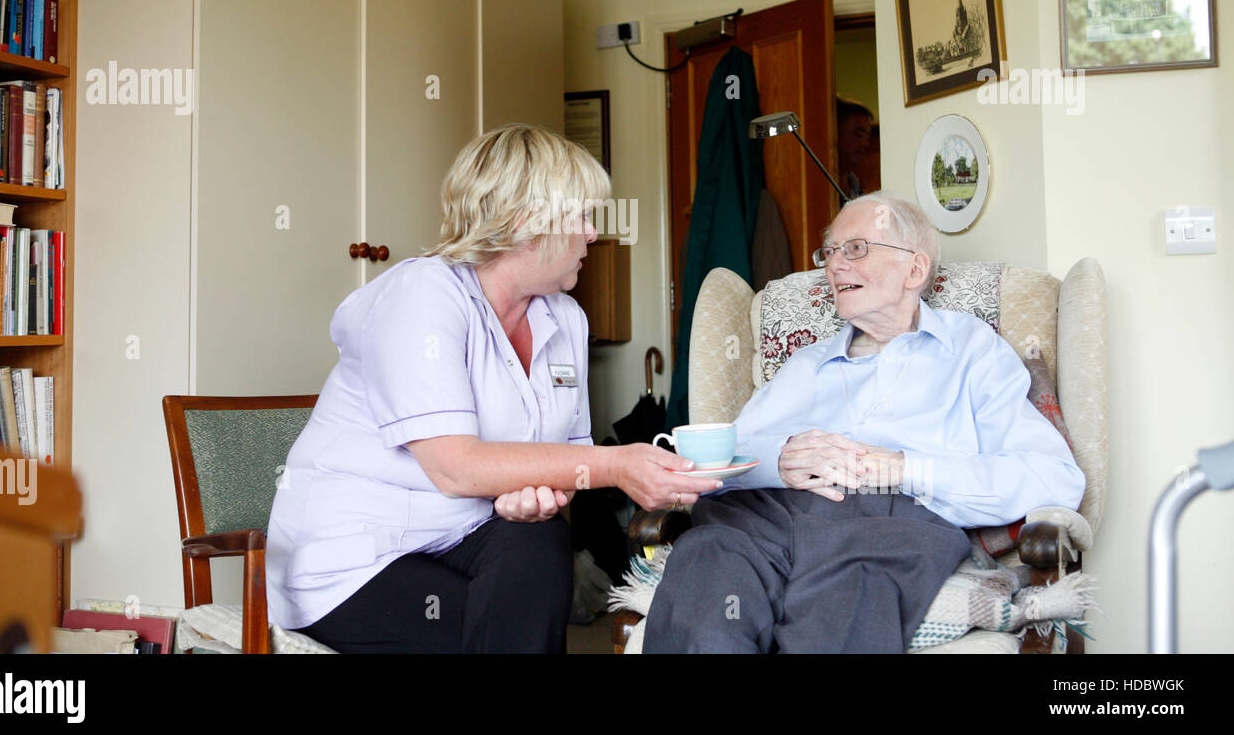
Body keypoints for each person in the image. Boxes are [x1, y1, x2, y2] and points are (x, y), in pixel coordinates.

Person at [266, 124, 720, 653]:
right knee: (508, 631)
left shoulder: (565, 318)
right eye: (580, 216)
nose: (593, 234)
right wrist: (619, 466)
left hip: (469, 540)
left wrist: (540, 499)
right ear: (526, 221)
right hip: (356, 561)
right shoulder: (423, 295)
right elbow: (454, 466)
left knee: (539, 541)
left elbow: (567, 460)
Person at [643, 192, 1085, 653]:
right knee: (708, 578)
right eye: (829, 252)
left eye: (855, 249)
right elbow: (719, 461)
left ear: (914, 270)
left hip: (888, 525)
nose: (834, 266)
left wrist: (905, 468)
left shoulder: (972, 350)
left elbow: (1054, 478)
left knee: (837, 622)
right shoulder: (806, 363)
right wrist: (781, 461)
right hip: (761, 517)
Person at [836, 97, 874, 201]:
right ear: (835, 132)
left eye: (867, 137)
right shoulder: (817, 185)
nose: (866, 144)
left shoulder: (855, 185)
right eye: (859, 135)